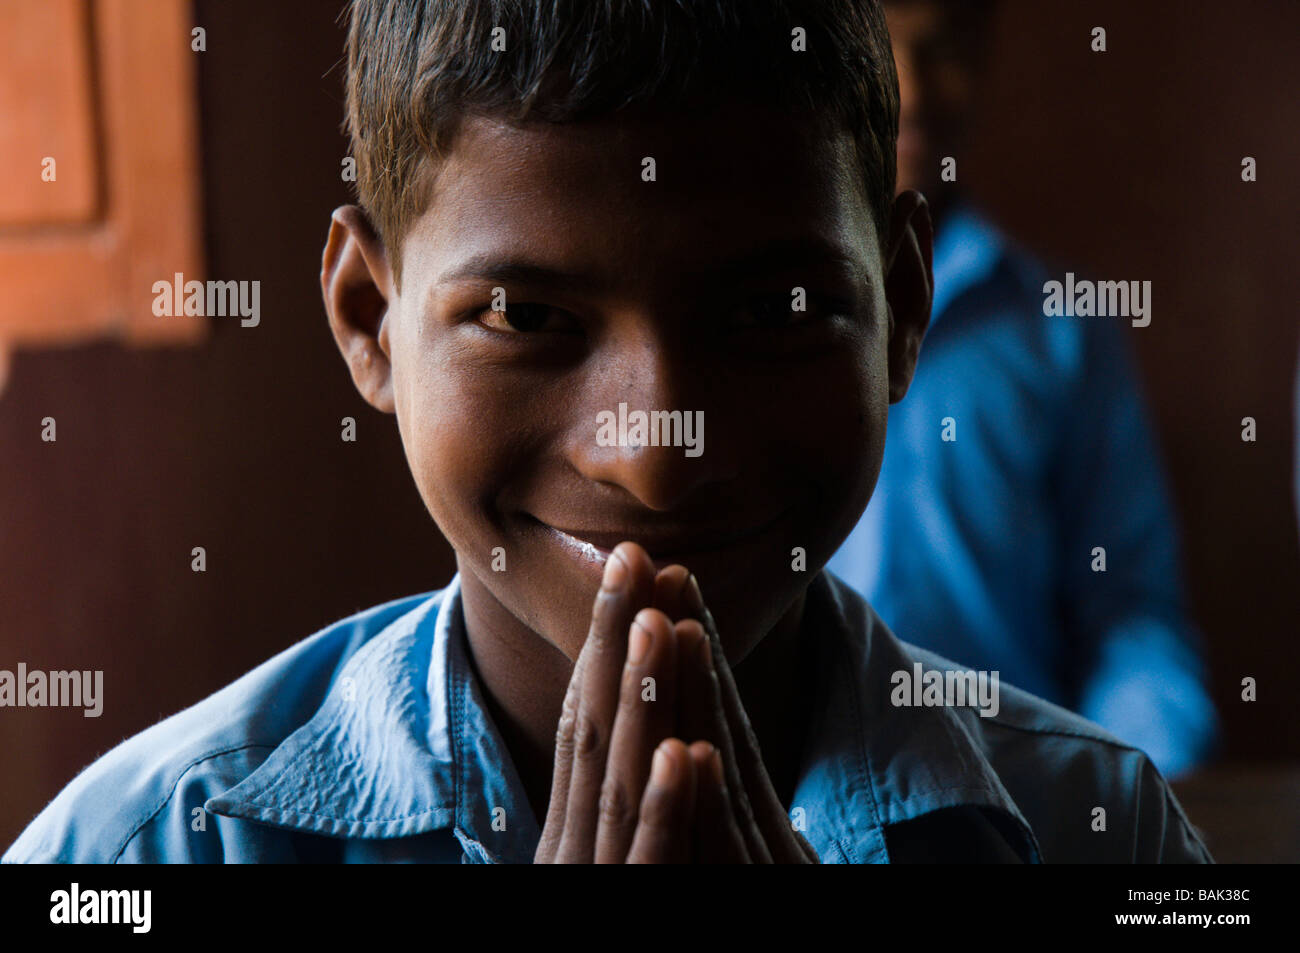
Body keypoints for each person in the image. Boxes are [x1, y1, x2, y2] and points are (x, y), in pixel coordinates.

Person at [3, 0, 1210, 864]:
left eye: (775, 309)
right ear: (369, 320)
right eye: (526, 315)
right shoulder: (136, 851)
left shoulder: (1103, 829)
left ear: (899, 307)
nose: (653, 450)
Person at [827, 0, 1218, 779]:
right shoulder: (750, 320)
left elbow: (1133, 614)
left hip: (1016, 806)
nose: (914, 85)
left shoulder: (1065, 329)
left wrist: (1136, 785)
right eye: (880, 49)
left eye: (943, 51)